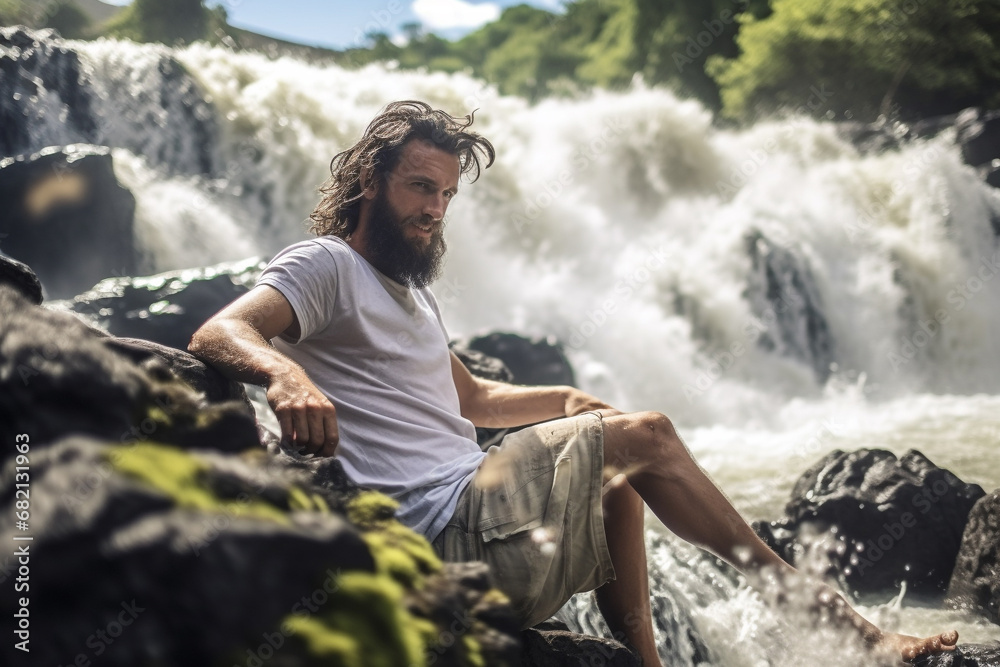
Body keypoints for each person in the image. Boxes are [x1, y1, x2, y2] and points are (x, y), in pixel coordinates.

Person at [188, 100, 958, 666]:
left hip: (484, 521)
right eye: (421, 188)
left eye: (448, 195)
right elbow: (219, 331)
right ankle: (846, 628)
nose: (435, 211)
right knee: (645, 435)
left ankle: (645, 664)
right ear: (369, 180)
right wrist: (286, 375)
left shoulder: (410, 292)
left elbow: (471, 400)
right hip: (444, 534)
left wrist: (565, 402)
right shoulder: (327, 265)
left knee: (611, 461)